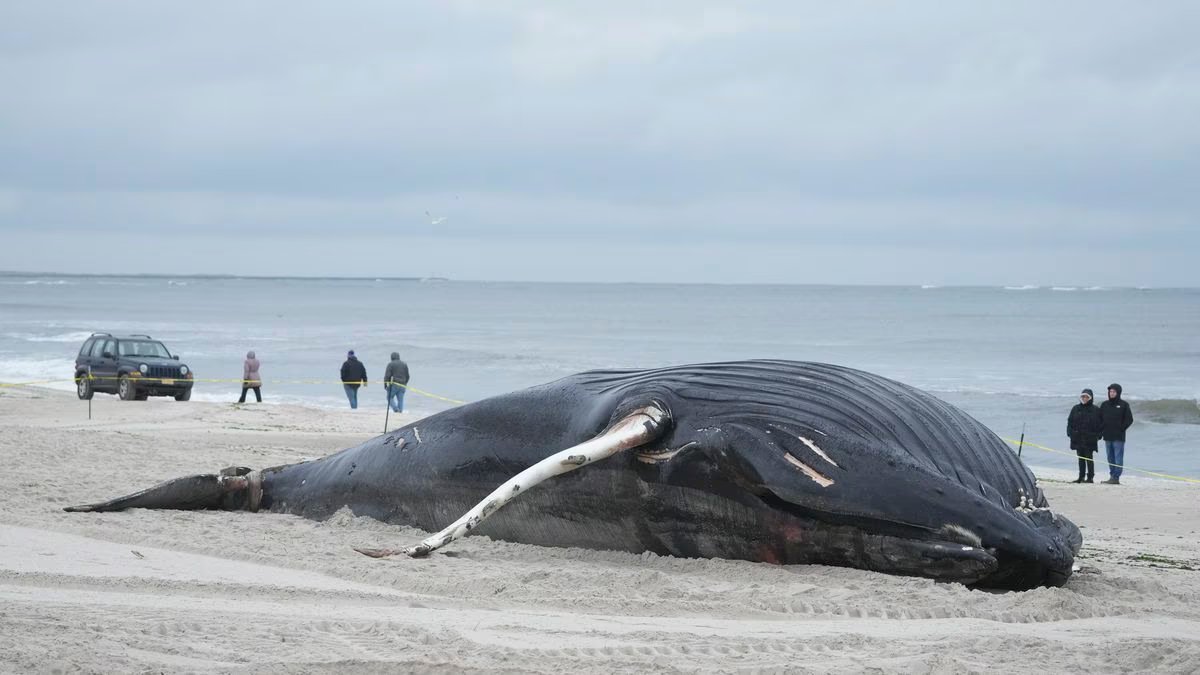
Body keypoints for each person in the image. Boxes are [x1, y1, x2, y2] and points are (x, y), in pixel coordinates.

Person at [1099, 382, 1134, 485]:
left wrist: (1121, 428)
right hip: (1107, 436)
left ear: (1118, 393)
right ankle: (1112, 476)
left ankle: (1116, 477)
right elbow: (1100, 419)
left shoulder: (1124, 405)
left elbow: (1129, 419)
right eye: (1110, 391)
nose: (1112, 393)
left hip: (1118, 437)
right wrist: (1101, 431)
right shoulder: (1104, 404)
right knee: (1110, 458)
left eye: (1114, 392)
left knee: (1118, 457)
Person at [1066, 388, 1102, 483]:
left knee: (1089, 458)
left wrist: (1098, 436)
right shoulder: (1076, 408)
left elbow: (1101, 424)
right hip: (1077, 438)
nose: (1085, 398)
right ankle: (1081, 477)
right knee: (1080, 458)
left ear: (1090, 398)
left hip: (1090, 438)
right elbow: (1070, 422)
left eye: (1087, 397)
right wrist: (1070, 433)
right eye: (1083, 396)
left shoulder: (1095, 410)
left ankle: (1090, 477)